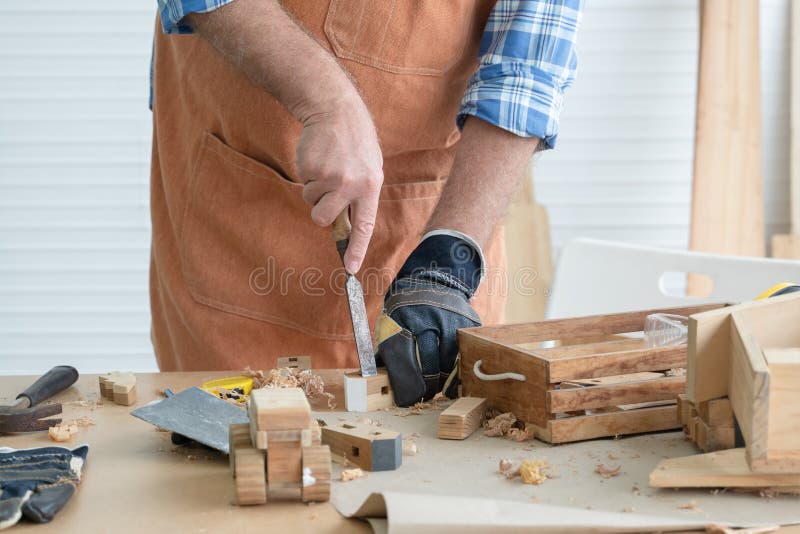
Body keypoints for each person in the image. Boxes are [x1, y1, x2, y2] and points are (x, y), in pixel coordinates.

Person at [150, 0, 583, 402]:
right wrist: (325, 101)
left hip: (436, 205)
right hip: (242, 202)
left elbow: (526, 73)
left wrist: (448, 262)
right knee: (237, 451)